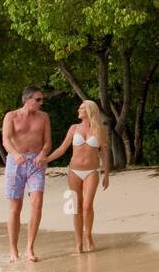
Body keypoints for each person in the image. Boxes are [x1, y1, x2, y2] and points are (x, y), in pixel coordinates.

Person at [41, 99, 110, 253]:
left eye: (81, 108)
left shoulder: (100, 130)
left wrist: (106, 174)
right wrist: (46, 160)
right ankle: (78, 243)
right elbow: (62, 149)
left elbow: (104, 153)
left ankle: (88, 237)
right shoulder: (74, 128)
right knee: (76, 208)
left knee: (87, 206)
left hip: (92, 171)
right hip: (74, 172)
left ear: (89, 111)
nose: (78, 110)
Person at [3, 86, 51, 262]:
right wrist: (16, 155)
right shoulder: (11, 116)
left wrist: (43, 153)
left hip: (37, 163)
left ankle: (30, 249)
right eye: (38, 100)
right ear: (27, 99)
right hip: (15, 163)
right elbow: (6, 140)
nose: (41, 103)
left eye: (41, 100)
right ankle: (13, 251)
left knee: (37, 203)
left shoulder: (44, 117)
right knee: (15, 208)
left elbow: (47, 142)